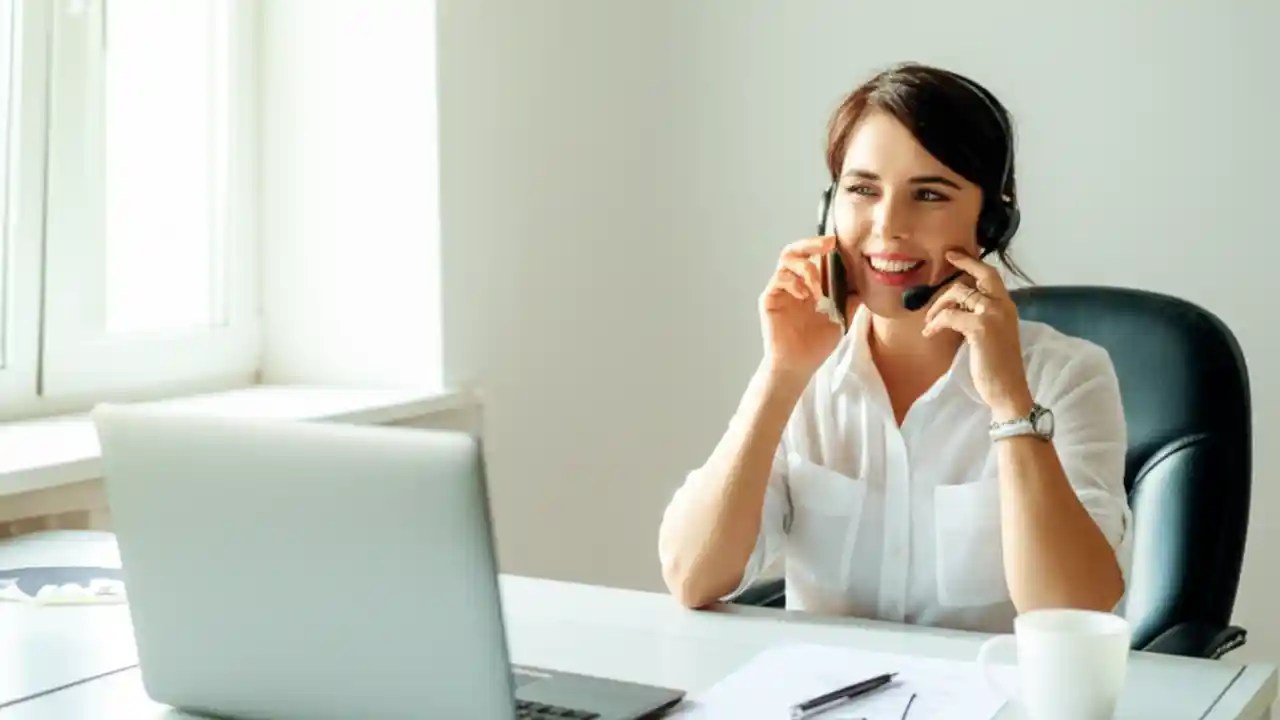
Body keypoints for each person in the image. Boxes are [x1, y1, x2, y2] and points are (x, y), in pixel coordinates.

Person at [657, 62, 1132, 634]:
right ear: (827, 208)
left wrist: (1010, 404)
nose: (887, 227)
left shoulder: (1066, 376)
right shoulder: (808, 373)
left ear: (994, 222)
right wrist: (781, 372)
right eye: (862, 190)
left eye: (929, 194)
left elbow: (1074, 613)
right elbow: (692, 575)